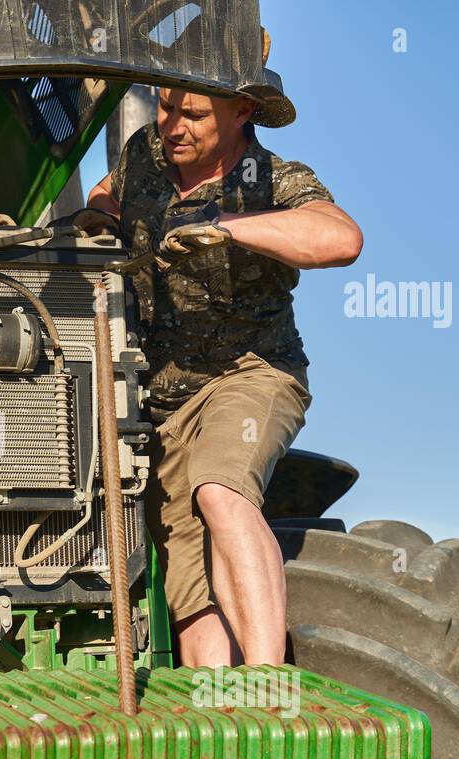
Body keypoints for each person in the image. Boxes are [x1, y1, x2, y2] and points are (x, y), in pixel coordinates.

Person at [78, 72, 362, 667]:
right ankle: (215, 725)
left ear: (242, 112)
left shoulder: (274, 180)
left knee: (221, 489)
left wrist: (227, 229)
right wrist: (101, 221)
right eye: (165, 107)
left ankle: (266, 680)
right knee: (189, 585)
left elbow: (341, 238)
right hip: (160, 403)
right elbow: (107, 192)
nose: (174, 127)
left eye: (195, 115)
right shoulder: (146, 156)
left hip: (250, 375)